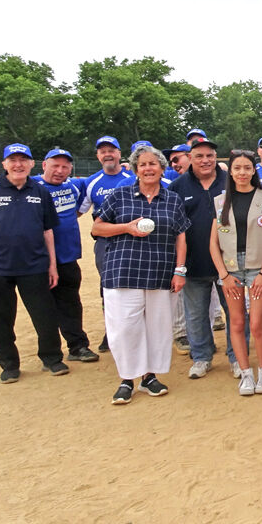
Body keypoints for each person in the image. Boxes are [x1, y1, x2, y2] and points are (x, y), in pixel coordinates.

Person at [93, 145, 190, 404]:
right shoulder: (119, 195)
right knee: (124, 328)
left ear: (162, 168)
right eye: (143, 165)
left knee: (157, 329)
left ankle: (149, 376)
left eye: (153, 164)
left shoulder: (172, 199)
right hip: (123, 271)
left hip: (160, 272)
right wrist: (127, 227)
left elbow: (181, 237)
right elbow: (97, 228)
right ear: (136, 170)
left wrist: (180, 270)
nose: (148, 168)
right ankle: (126, 378)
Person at [0, 143, 69, 383]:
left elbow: (48, 231)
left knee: (45, 315)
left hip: (34, 266)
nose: (18, 164)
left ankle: (52, 359)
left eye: (23, 159)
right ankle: (9, 365)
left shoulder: (40, 192)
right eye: (13, 160)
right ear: (4, 164)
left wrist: (52, 265)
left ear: (32, 163)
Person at [209, 150, 262, 396]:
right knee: (236, 322)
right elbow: (213, 243)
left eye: (246, 168)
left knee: (258, 323)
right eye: (237, 168)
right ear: (231, 171)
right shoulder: (220, 201)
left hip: (257, 266)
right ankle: (246, 373)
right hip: (231, 269)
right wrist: (224, 275)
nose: (242, 172)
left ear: (253, 170)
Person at [28, 148, 99, 362]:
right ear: (44, 165)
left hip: (68, 257)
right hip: (38, 260)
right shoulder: (30, 186)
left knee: (71, 304)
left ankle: (78, 347)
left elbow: (101, 181)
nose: (59, 171)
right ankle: (50, 355)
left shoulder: (74, 186)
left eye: (65, 166)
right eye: (55, 165)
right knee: (44, 309)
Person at [169, 138, 231, 379]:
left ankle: (237, 356)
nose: (205, 160)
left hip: (228, 262)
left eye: (210, 156)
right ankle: (202, 357)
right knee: (195, 314)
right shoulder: (177, 187)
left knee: (234, 312)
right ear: (190, 158)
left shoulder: (231, 182)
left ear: (216, 158)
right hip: (194, 261)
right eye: (199, 156)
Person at [78, 135, 137, 352]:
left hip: (134, 241)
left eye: (111, 150)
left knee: (138, 286)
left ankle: (138, 331)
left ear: (120, 154)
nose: (107, 154)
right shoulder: (90, 182)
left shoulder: (133, 176)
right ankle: (110, 331)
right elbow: (77, 212)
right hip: (106, 242)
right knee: (108, 288)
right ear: (98, 156)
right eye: (102, 151)